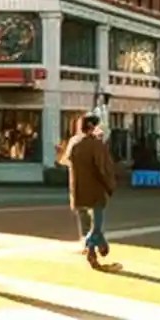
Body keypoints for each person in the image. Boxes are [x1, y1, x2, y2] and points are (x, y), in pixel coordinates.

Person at [67, 113, 120, 271]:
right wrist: (110, 186)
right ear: (91, 127)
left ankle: (100, 247)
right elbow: (103, 169)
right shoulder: (96, 145)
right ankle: (91, 249)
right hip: (95, 191)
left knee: (87, 225)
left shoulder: (74, 144)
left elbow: (65, 161)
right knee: (96, 226)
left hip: (77, 191)